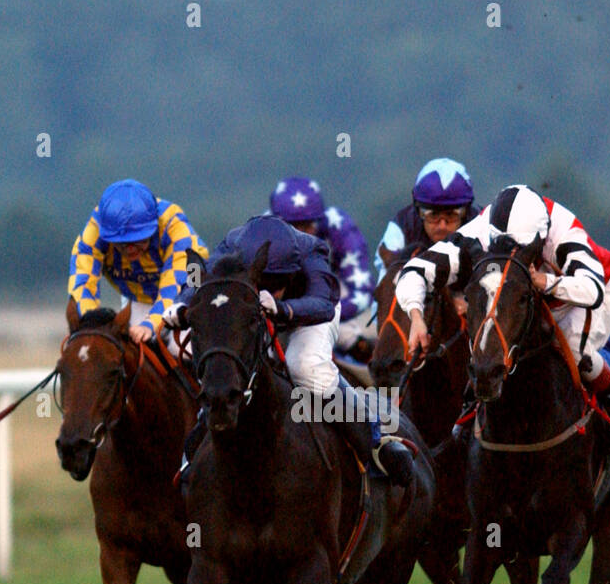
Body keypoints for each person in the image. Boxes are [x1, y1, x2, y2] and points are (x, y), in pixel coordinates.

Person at [171, 215, 414, 485]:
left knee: (305, 367)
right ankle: (194, 451)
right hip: (253, 312)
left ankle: (375, 440)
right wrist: (181, 304)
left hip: (311, 314)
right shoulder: (232, 246)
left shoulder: (312, 251)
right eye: (265, 282)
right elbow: (198, 280)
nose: (273, 290)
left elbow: (322, 303)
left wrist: (284, 308)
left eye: (278, 283)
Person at [393, 184, 610, 448]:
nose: (512, 253)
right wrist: (416, 317)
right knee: (487, 338)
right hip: (516, 297)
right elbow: (415, 271)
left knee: (570, 346)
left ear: (540, 236)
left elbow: (593, 289)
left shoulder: (563, 232)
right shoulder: (478, 233)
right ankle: (471, 407)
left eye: (520, 247)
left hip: (579, 297)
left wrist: (546, 282)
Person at [68, 179, 208, 347]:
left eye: (139, 240)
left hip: (188, 294)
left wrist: (150, 324)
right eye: (121, 243)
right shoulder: (96, 229)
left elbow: (174, 284)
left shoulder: (175, 226)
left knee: (181, 349)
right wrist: (90, 325)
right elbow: (82, 283)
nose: (131, 249)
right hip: (137, 297)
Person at [269, 177, 375, 361]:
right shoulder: (264, 232)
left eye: (307, 225)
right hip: (287, 313)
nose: (299, 233)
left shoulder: (339, 227)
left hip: (337, 307)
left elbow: (362, 292)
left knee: (354, 339)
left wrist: (317, 317)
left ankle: (378, 384)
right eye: (291, 226)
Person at [374, 157, 477, 280]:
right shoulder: (401, 229)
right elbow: (386, 289)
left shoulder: (482, 228)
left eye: (451, 215)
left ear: (465, 212)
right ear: (419, 212)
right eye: (433, 215)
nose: (442, 226)